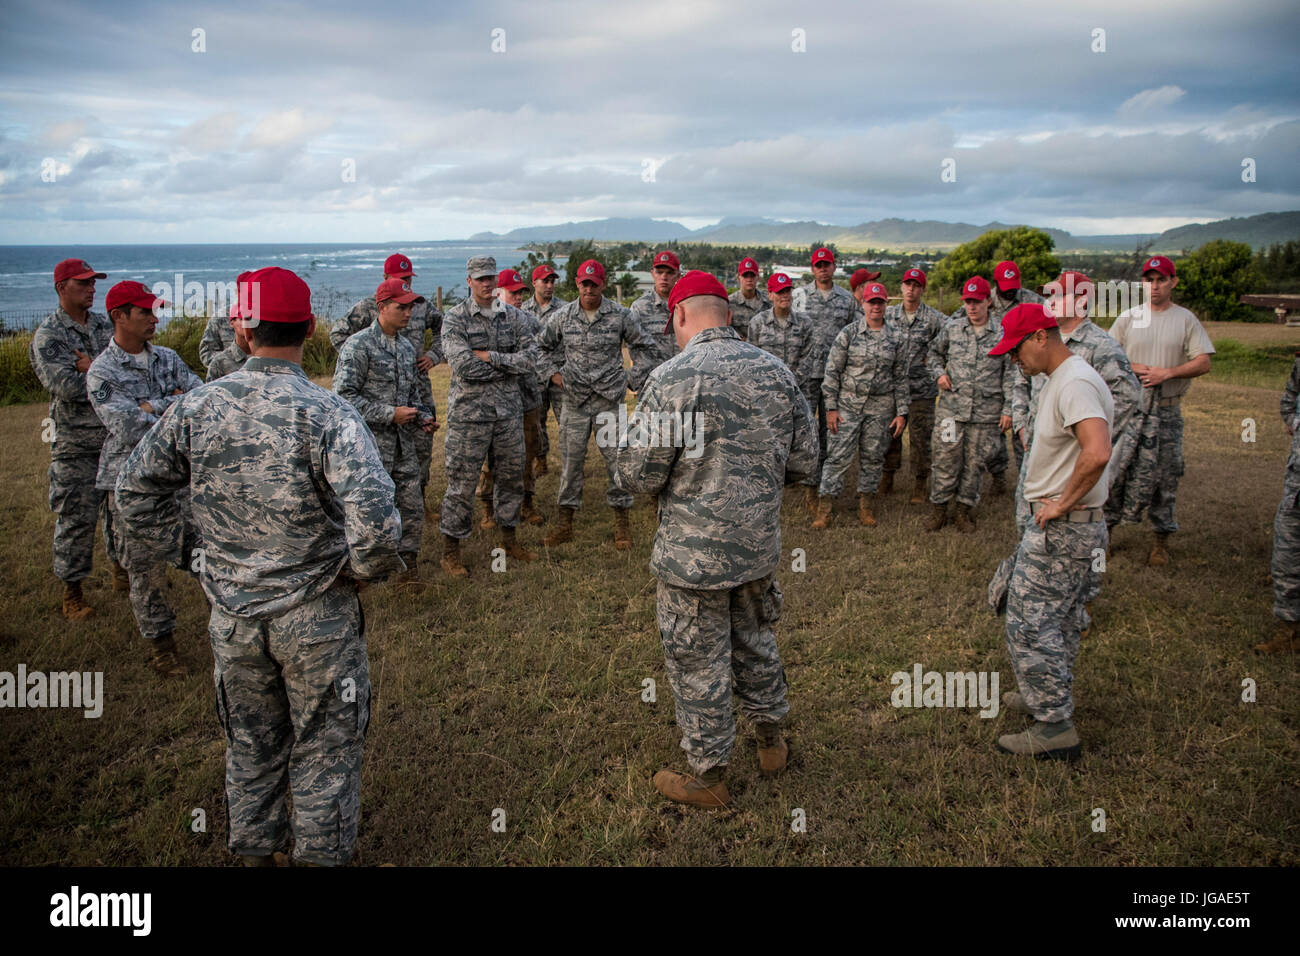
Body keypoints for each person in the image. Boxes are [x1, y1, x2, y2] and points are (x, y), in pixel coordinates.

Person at [114, 266, 405, 866]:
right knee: (325, 752)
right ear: (311, 328)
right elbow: (378, 524)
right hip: (316, 618)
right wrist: (356, 568)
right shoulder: (328, 414)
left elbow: (132, 494)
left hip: (232, 618)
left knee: (250, 747)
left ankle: (254, 854)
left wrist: (193, 554)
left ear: (243, 334)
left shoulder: (195, 407)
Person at [615, 271, 819, 808]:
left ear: (680, 316)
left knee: (697, 659)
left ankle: (710, 776)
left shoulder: (673, 377)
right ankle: (770, 737)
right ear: (728, 315)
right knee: (755, 639)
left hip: (694, 558)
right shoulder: (777, 373)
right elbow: (805, 461)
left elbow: (637, 474)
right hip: (756, 550)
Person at [989, 304, 1112, 760]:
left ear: (1042, 336)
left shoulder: (1075, 382)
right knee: (1059, 620)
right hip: (1073, 529)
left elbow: (1097, 451)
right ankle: (1044, 692)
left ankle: (1054, 725)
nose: (1014, 359)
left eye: (1016, 349)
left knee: (1027, 620)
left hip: (1063, 528)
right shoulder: (1063, 378)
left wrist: (1061, 502)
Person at [88, 281, 203, 676]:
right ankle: (162, 648)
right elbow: (128, 425)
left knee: (206, 550)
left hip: (181, 476)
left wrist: (155, 403)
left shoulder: (168, 358)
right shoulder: (102, 372)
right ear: (119, 316)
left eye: (156, 311)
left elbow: (199, 397)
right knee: (146, 569)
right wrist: (176, 406)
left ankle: (229, 625)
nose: (155, 319)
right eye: (145, 312)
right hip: (133, 483)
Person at [537, 259, 656, 550]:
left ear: (602, 284)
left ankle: (621, 524)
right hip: (574, 401)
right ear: (577, 284)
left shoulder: (620, 315)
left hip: (608, 402)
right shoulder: (563, 316)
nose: (589, 289)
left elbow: (645, 347)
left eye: (594, 283)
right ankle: (565, 524)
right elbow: (539, 346)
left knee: (617, 463)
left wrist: (630, 379)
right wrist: (553, 375)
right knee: (571, 465)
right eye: (584, 283)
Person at [1107, 255, 1215, 566]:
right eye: (1149, 280)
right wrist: (1136, 367)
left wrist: (1167, 373)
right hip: (1129, 410)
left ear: (1173, 282)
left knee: (1165, 475)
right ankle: (1106, 535)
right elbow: (1109, 357)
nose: (1154, 286)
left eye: (1161, 280)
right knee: (1116, 470)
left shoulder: (1185, 319)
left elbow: (1203, 362)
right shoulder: (1129, 318)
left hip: (1167, 410)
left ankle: (1160, 541)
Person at [29, 257, 120, 618]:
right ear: (62, 288)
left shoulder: (104, 325)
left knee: (122, 517)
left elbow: (128, 367)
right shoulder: (49, 336)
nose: (91, 288)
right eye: (83, 283)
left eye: (93, 282)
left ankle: (122, 573)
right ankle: (73, 592)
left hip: (114, 439)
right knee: (76, 520)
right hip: (75, 445)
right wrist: (105, 374)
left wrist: (91, 367)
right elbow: (66, 385)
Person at [438, 257, 538, 575]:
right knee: (462, 484)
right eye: (480, 278)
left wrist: (492, 357)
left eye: (490, 278)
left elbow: (531, 359)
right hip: (470, 416)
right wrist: (507, 365)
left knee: (510, 478)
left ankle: (508, 541)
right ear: (469, 281)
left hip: (508, 413)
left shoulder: (514, 317)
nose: (486, 283)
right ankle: (451, 551)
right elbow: (463, 366)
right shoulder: (454, 319)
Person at [334, 278, 437, 578]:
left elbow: (412, 395)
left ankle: (408, 570)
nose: (408, 313)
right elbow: (344, 398)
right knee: (369, 516)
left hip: (404, 448)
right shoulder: (358, 346)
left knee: (412, 509)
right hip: (369, 449)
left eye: (410, 307)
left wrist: (422, 418)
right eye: (400, 307)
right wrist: (390, 414)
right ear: (381, 308)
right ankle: (363, 572)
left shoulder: (406, 348)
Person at [331, 253, 444, 519]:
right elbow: (344, 396)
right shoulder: (362, 334)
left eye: (408, 280)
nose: (408, 312)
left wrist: (434, 356)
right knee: (373, 501)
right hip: (374, 432)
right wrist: (365, 360)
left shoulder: (407, 338)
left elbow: (442, 327)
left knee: (417, 463)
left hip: (409, 403)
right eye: (400, 279)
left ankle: (417, 506)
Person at [813, 282, 909, 529]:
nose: (875, 307)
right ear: (863, 304)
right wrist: (831, 408)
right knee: (837, 458)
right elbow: (832, 372)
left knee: (873, 458)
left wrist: (901, 413)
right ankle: (824, 509)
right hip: (848, 406)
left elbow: (901, 378)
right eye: (871, 302)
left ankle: (866, 506)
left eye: (880, 302)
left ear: (886, 304)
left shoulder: (897, 338)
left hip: (880, 408)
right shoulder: (849, 333)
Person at [925, 276, 1013, 532]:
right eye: (968, 302)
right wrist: (939, 373)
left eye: (977, 302)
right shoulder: (953, 328)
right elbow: (932, 353)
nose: (972, 307)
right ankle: (939, 509)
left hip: (985, 414)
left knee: (975, 464)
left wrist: (1008, 410)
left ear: (989, 301)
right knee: (945, 458)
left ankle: (964, 510)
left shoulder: (1002, 333)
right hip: (952, 411)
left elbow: (1011, 373)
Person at [478, 269, 547, 528]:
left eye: (521, 293)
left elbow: (544, 349)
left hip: (527, 397)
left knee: (528, 454)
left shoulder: (529, 321)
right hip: (494, 401)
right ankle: (488, 508)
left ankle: (527, 504)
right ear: (498, 293)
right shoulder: (484, 323)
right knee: (491, 457)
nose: (518, 297)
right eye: (513, 292)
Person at [792, 247, 858, 509]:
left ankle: (826, 485)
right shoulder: (800, 297)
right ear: (812, 269)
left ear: (834, 267)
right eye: (818, 265)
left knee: (830, 430)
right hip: (807, 375)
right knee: (808, 432)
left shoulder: (846, 299)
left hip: (836, 378)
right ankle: (809, 487)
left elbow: (856, 333)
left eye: (827, 264)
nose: (822, 269)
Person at [882, 267, 947, 504]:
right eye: (908, 284)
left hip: (922, 390)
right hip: (893, 388)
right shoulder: (888, 315)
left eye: (916, 285)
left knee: (921, 439)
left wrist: (937, 365)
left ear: (923, 289)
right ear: (901, 287)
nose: (911, 289)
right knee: (890, 435)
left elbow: (952, 337)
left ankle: (920, 484)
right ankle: (887, 477)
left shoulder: (934, 319)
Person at [984, 260, 1046, 493]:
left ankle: (1027, 481)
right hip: (993, 374)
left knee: (1024, 427)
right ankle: (997, 475)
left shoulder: (1034, 301)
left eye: (1014, 285)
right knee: (993, 431)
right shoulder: (985, 301)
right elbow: (961, 322)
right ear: (995, 284)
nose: (1010, 290)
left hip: (1026, 372)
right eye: (1005, 286)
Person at [1257, 353, 1300, 654]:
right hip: (1296, 483)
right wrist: (1295, 422)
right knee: (1286, 558)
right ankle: (1290, 633)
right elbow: (1289, 397)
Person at [746, 272, 815, 409]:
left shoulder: (805, 323)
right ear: (770, 295)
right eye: (779, 292)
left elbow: (808, 360)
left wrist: (789, 385)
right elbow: (751, 360)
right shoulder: (758, 323)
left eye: (787, 291)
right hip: (766, 394)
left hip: (798, 392)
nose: (784, 296)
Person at [523, 263, 565, 475]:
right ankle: (540, 458)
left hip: (560, 377)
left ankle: (570, 464)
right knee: (536, 424)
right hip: (534, 378)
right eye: (545, 281)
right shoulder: (522, 311)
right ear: (534, 283)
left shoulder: (565, 309)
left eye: (552, 281)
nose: (549, 285)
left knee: (566, 422)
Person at [630, 250, 681, 370]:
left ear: (678, 275)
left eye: (669, 273)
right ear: (652, 273)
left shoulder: (686, 306)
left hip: (681, 381)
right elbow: (633, 347)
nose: (664, 277)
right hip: (651, 381)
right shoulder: (639, 308)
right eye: (659, 272)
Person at [205, 299, 252, 381]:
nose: (246, 323)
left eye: (251, 319)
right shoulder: (219, 364)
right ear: (231, 323)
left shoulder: (265, 356)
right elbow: (206, 351)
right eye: (241, 319)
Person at [726, 257, 771, 339]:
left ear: (757, 277)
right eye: (745, 276)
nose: (749, 280)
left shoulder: (768, 302)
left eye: (752, 276)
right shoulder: (729, 304)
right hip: (740, 349)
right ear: (739, 277)